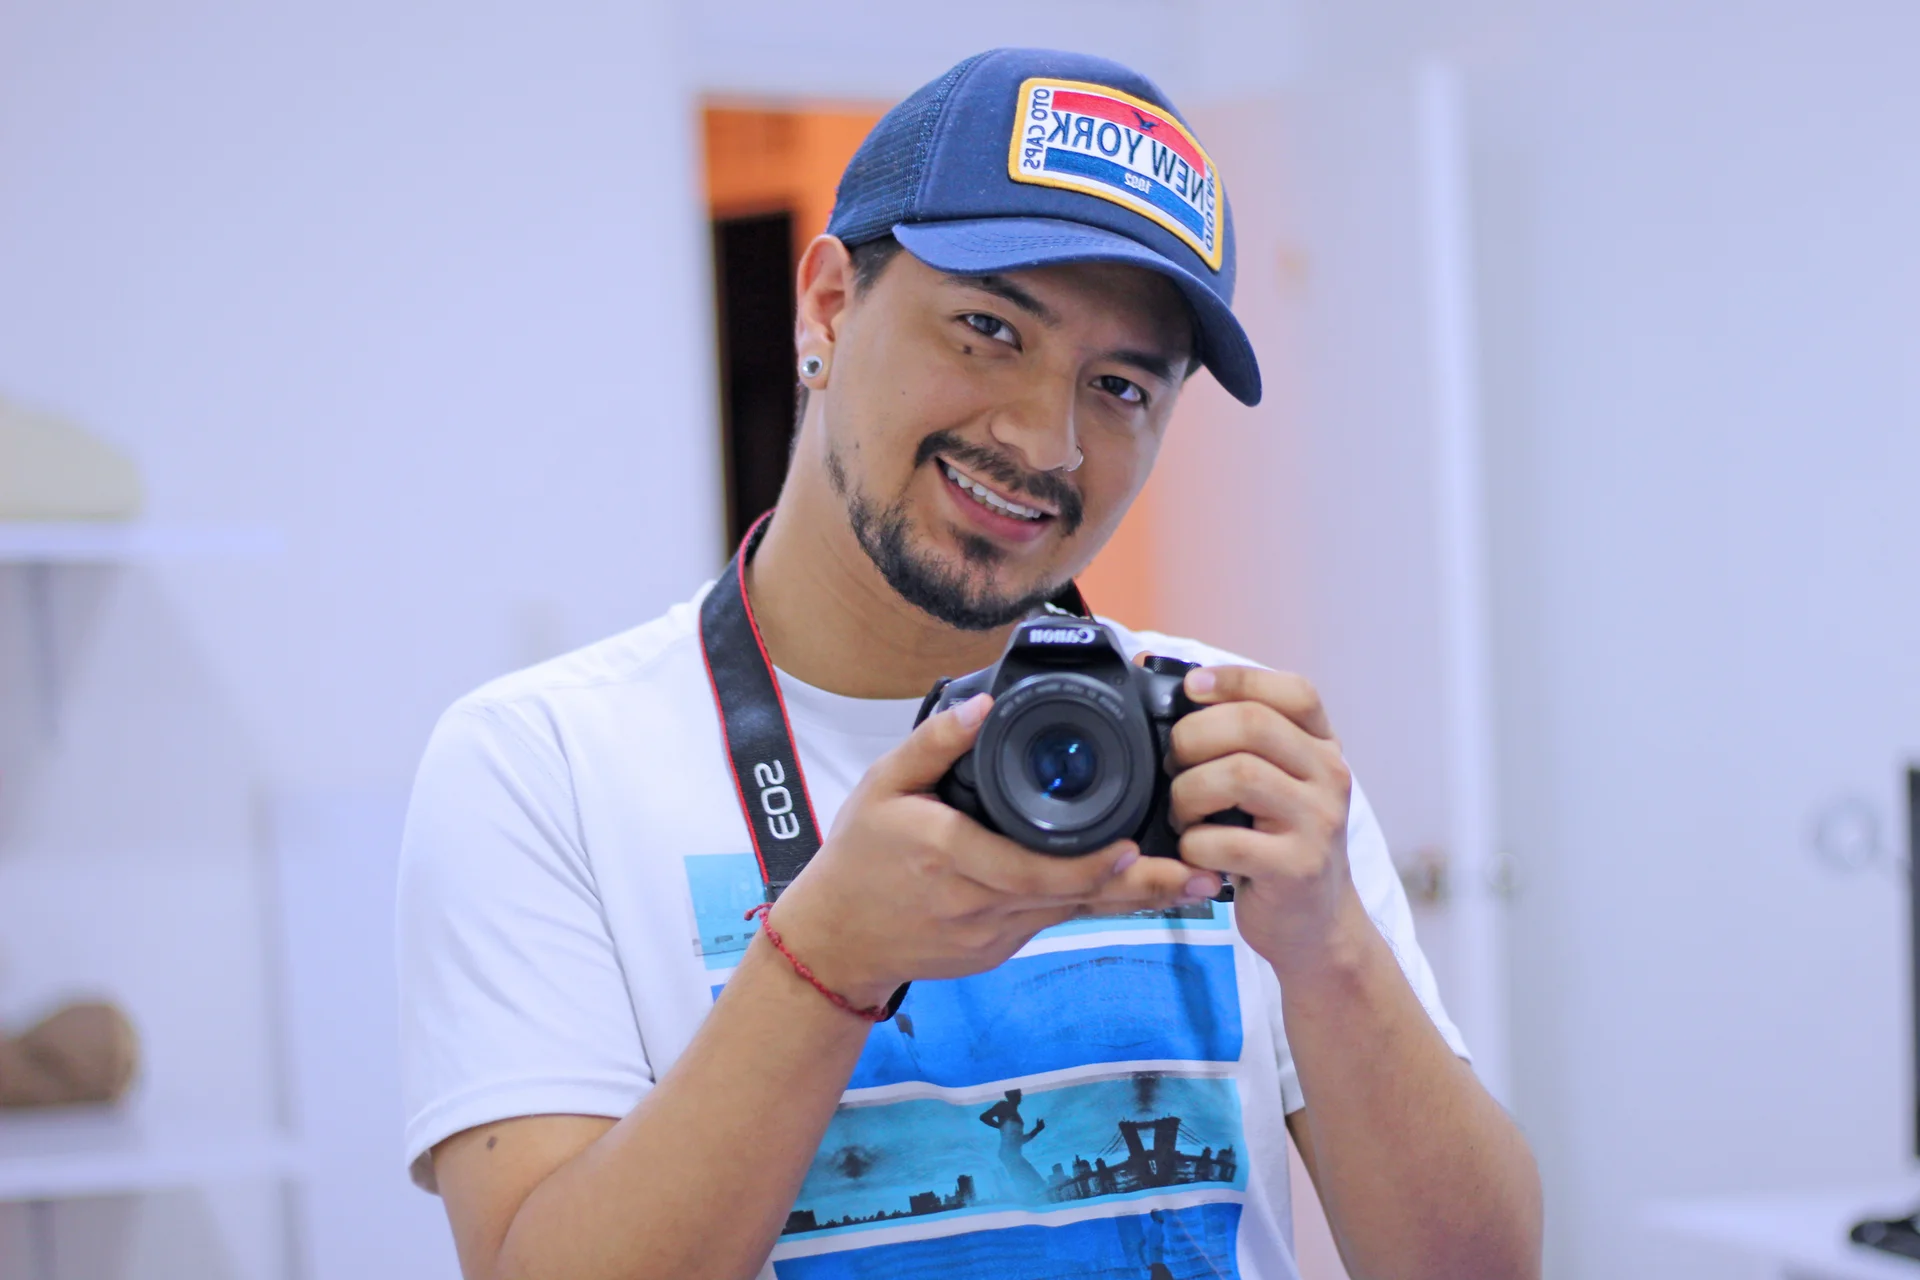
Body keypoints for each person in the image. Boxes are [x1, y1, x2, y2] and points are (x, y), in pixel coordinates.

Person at [398, 46, 1542, 1280]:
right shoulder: (546, 762)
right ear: (827, 306)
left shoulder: (1234, 756)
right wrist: (823, 958)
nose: (1045, 440)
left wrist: (1331, 950)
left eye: (1119, 386)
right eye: (990, 329)